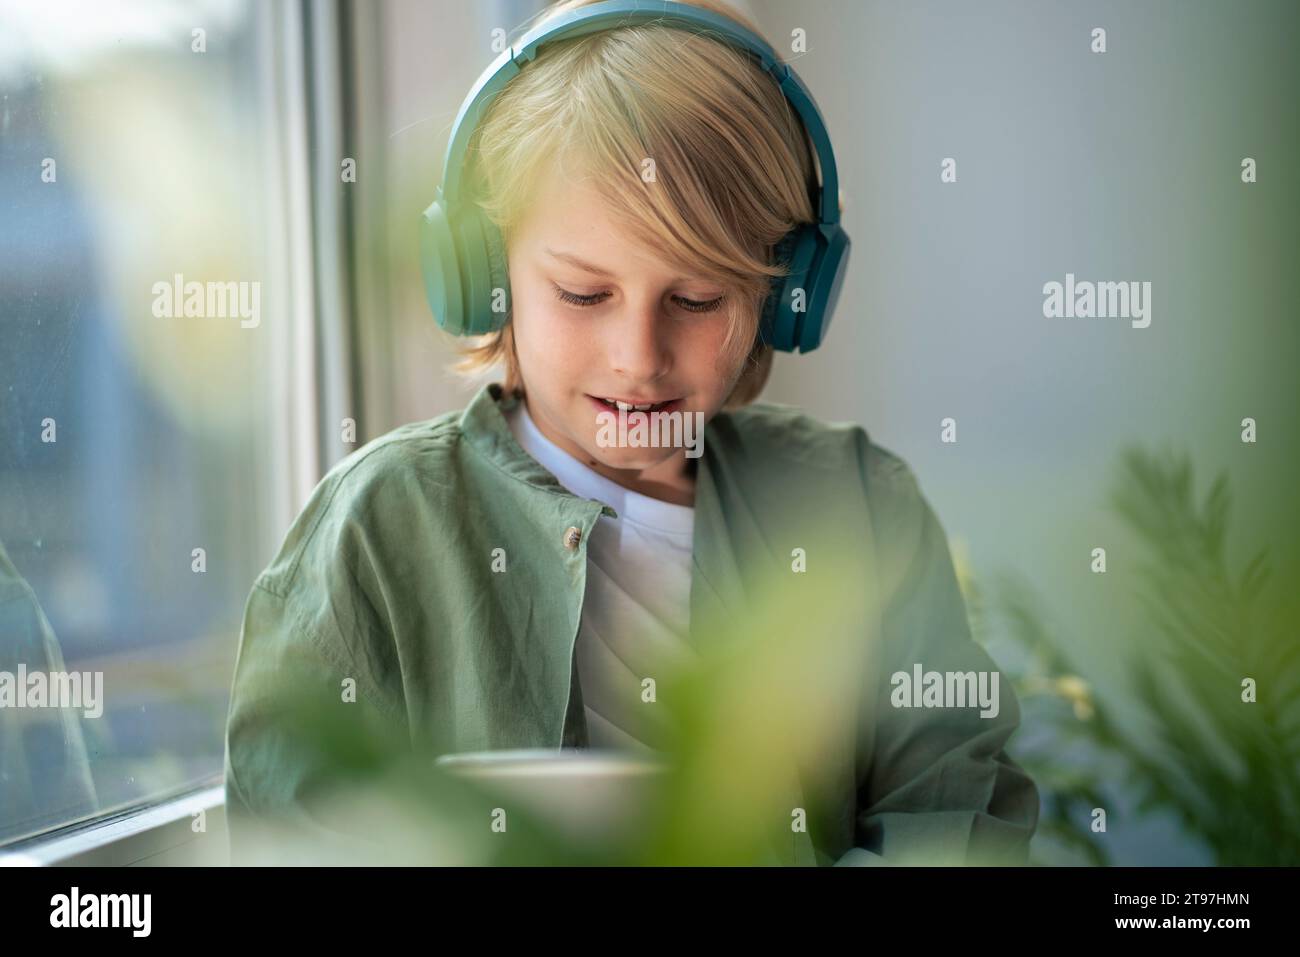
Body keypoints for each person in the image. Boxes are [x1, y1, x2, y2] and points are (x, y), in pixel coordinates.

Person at [224, 0, 1038, 865]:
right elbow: (294, 835)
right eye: (583, 294)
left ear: (787, 296)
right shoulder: (376, 530)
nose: (638, 357)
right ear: (484, 276)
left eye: (695, 300)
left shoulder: (860, 509)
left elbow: (953, 814)